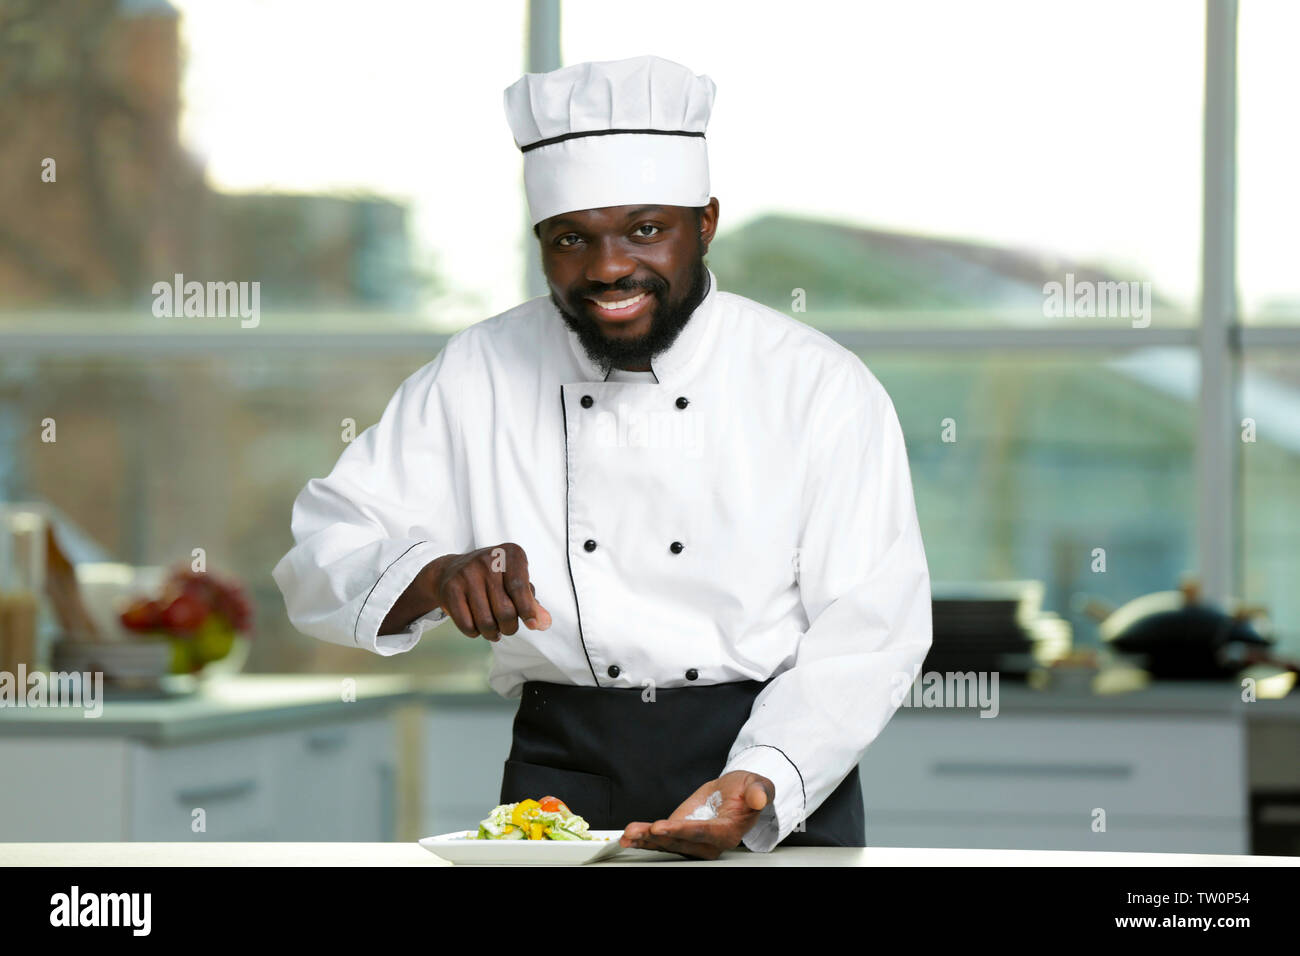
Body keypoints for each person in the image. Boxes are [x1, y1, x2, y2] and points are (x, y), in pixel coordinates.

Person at [272, 54, 932, 859]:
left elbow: (872, 628)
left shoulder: (815, 384)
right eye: (572, 239)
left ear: (707, 222)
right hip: (562, 783)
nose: (609, 267)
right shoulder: (477, 370)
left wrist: (764, 776)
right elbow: (320, 552)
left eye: (646, 229)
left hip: (769, 773)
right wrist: (436, 576)